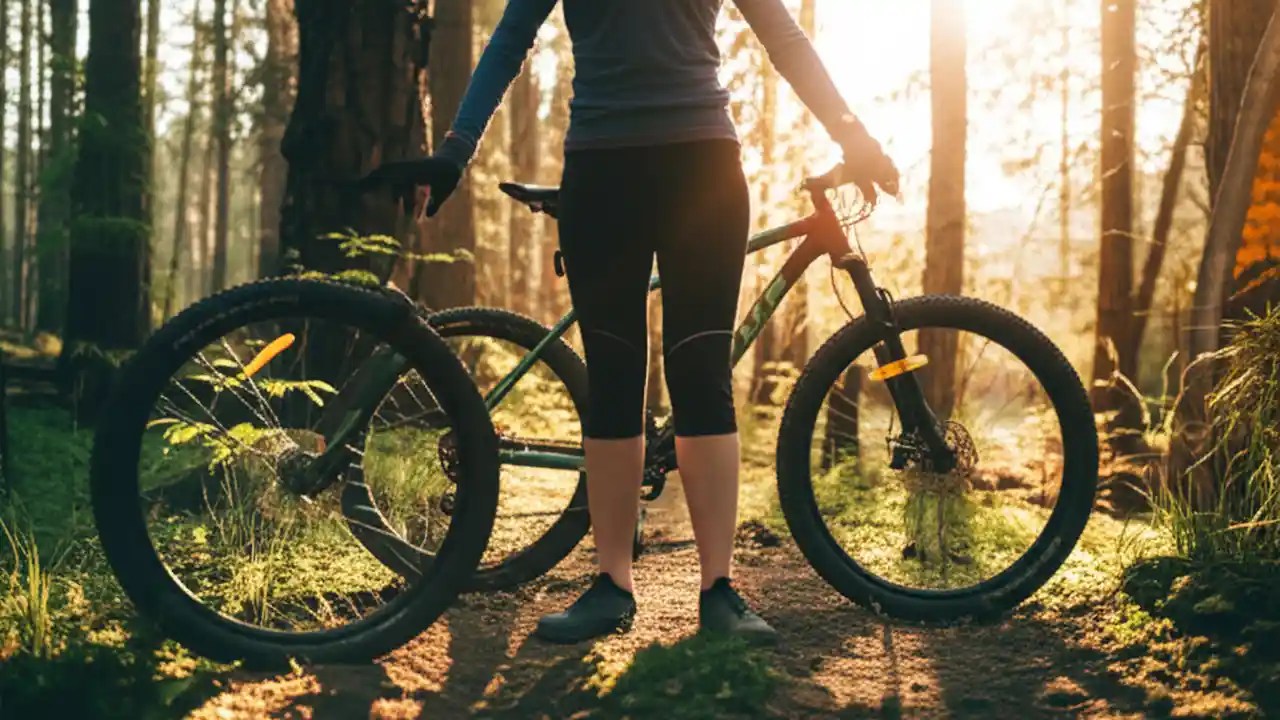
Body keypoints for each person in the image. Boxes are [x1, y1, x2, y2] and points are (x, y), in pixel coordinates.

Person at [369, 0, 899, 645]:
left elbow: (783, 37)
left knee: (702, 373)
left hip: (702, 168)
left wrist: (854, 136)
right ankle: (611, 585)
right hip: (601, 172)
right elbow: (511, 39)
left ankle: (719, 591)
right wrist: (455, 152)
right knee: (615, 376)